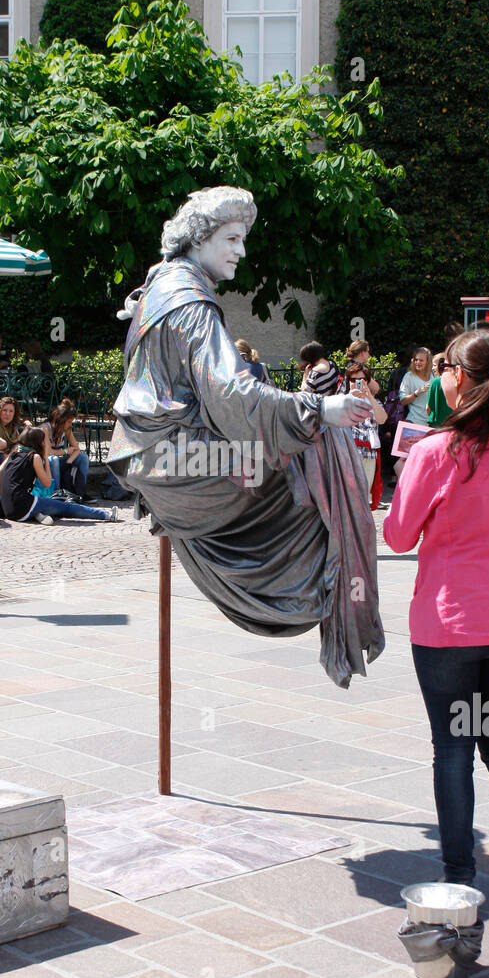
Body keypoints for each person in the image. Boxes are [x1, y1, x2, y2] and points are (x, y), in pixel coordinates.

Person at [108, 185, 382, 688]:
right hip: (178, 460)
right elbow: (233, 398)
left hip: (154, 456)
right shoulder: (189, 302)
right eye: (232, 238)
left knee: (308, 453)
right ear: (199, 239)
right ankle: (326, 583)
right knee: (321, 454)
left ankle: (322, 581)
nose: (241, 250)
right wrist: (321, 406)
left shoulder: (164, 288)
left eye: (243, 238)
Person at [383, 329, 489, 908]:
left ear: (458, 377)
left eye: (443, 368)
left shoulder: (436, 450)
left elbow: (399, 536)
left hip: (452, 618)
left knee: (453, 747)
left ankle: (459, 878)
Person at [0, 428, 118, 524]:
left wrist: (1, 495)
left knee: (48, 505)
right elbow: (47, 483)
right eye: (44, 440)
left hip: (7, 508)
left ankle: (38, 513)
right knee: (65, 507)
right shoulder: (34, 457)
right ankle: (106, 515)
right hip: (23, 507)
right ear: (38, 442)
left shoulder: (14, 453)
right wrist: (45, 457)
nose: (46, 443)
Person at [344, 348, 387, 495]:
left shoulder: (373, 402)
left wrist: (369, 397)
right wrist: (349, 397)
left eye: (361, 380)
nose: (357, 384)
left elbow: (382, 419)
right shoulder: (341, 400)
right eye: (353, 380)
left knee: (362, 497)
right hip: (347, 454)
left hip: (368, 454)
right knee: (346, 496)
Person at [394, 347, 432, 478]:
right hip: (413, 424)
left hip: (430, 425)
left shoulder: (433, 376)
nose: (418, 363)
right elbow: (403, 400)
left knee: (424, 461)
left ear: (428, 361)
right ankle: (403, 489)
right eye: (416, 360)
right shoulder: (409, 376)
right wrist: (417, 392)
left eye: (421, 360)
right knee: (402, 461)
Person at [46, 399, 89, 497]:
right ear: (61, 419)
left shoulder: (67, 430)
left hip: (60, 461)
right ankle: (57, 493)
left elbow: (76, 449)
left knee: (83, 457)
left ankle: (80, 492)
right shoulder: (46, 428)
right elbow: (48, 452)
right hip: (47, 462)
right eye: (69, 421)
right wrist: (65, 451)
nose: (70, 424)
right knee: (54, 459)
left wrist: (69, 462)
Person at [427, 352, 452, 427]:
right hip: (451, 424)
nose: (433, 368)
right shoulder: (456, 381)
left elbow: (428, 408)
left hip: (436, 424)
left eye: (434, 365)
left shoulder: (436, 382)